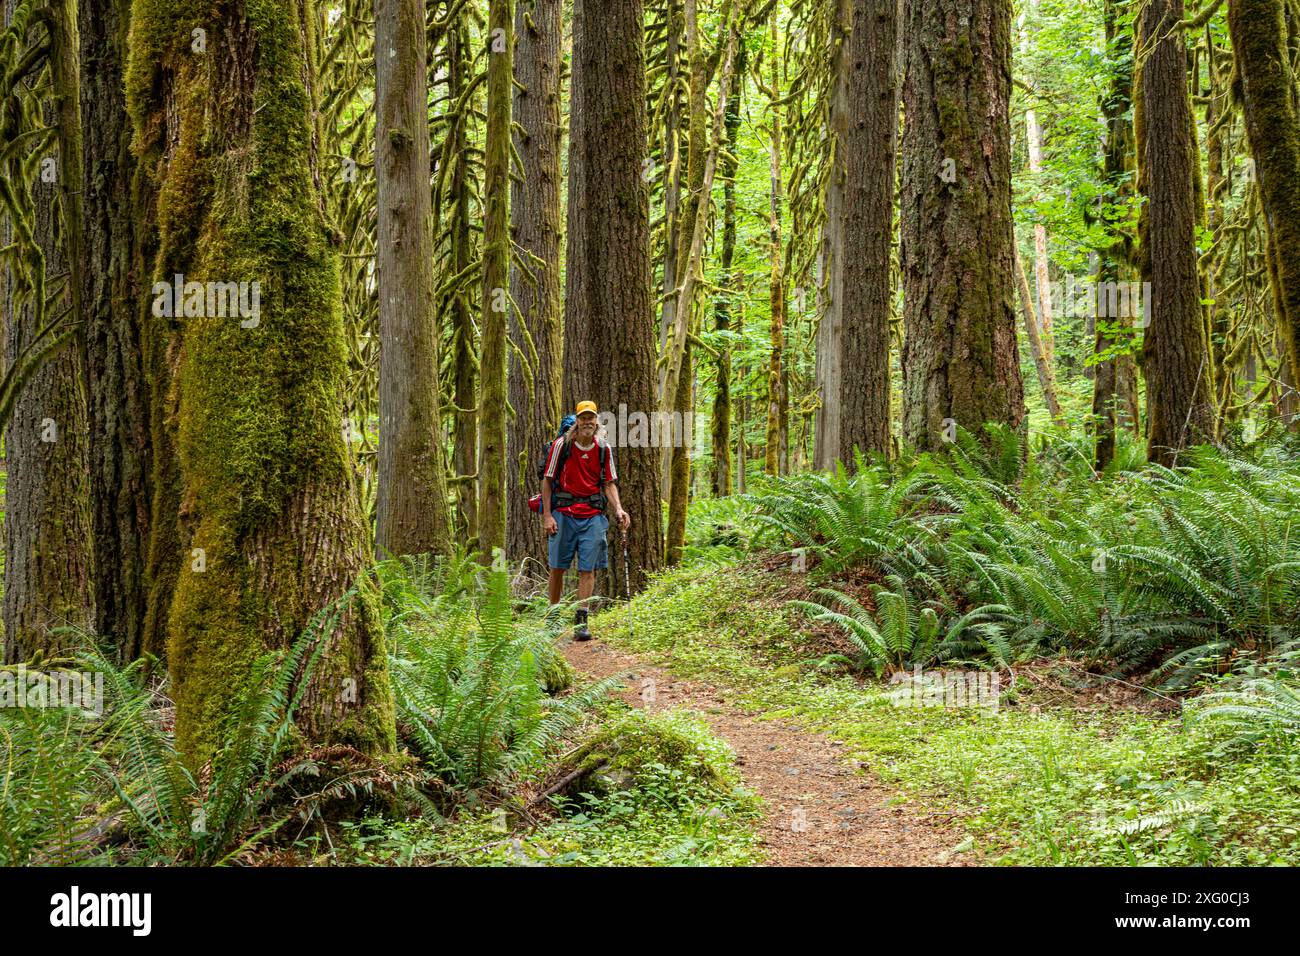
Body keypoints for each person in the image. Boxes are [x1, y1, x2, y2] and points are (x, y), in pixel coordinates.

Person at [542, 401, 631, 640]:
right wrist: (548, 515)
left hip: (592, 516)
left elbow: (609, 483)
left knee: (587, 569)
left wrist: (619, 509)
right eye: (583, 418)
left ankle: (581, 622)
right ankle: (552, 617)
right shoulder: (562, 445)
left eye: (591, 418)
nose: (587, 422)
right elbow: (548, 480)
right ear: (577, 421)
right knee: (558, 567)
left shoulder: (603, 449)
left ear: (596, 421)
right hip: (563, 514)